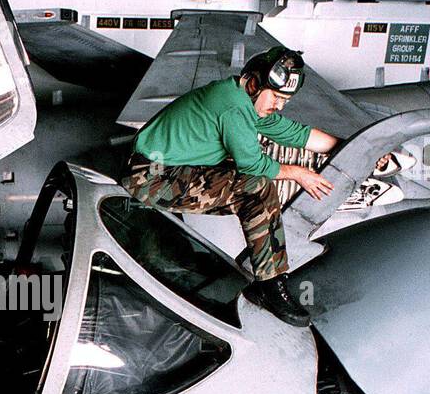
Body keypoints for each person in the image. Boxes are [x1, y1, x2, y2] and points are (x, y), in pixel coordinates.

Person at [121, 46, 340, 327]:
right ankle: (269, 285)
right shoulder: (232, 106)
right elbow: (253, 165)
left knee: (248, 185)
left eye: (285, 99)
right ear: (253, 83)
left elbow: (294, 133)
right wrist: (298, 173)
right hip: (150, 178)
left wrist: (349, 147)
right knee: (258, 189)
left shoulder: (242, 99)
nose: (279, 105)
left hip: (171, 167)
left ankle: (264, 263)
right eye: (275, 96)